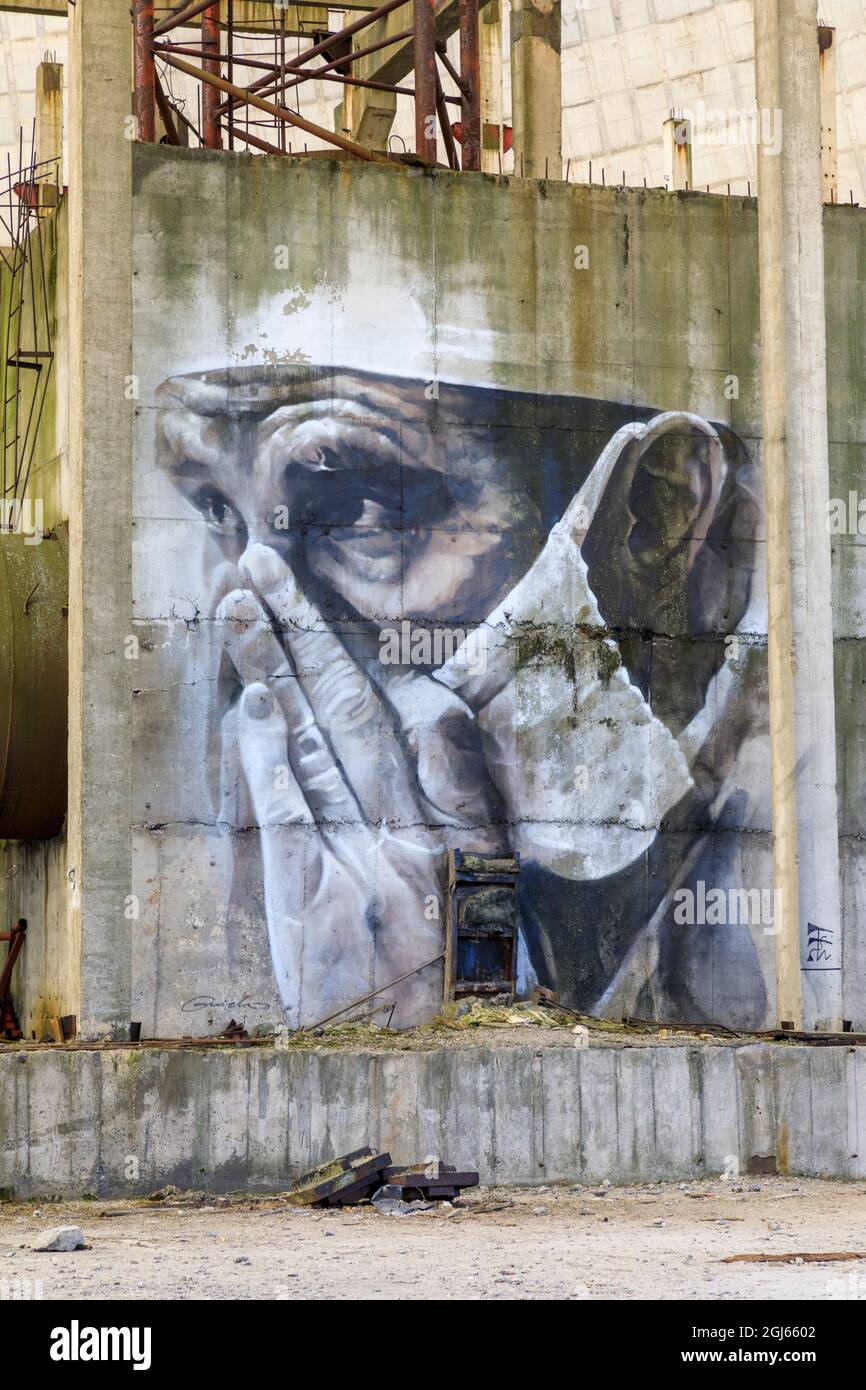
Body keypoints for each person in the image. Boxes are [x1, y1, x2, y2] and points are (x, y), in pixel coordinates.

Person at [154, 365, 764, 1029]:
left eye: (360, 510)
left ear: (654, 517)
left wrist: (407, 1015)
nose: (251, 606)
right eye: (217, 509)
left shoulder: (785, 879)